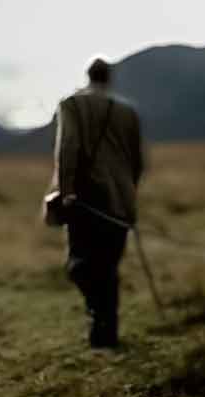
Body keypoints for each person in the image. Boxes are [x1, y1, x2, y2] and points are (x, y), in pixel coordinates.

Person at [48, 57, 146, 348]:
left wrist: (66, 191)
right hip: (119, 203)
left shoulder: (72, 105)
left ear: (88, 76)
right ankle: (105, 329)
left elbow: (67, 149)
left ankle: (100, 324)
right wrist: (130, 194)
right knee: (107, 267)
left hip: (84, 200)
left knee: (80, 266)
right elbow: (137, 161)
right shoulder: (129, 112)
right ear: (108, 78)